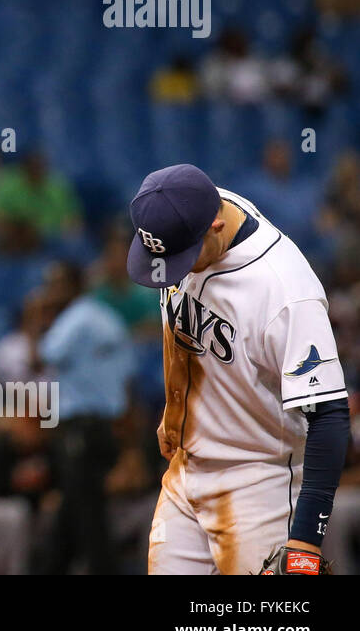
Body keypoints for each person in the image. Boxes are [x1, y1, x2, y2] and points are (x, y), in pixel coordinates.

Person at [127, 163, 350, 574]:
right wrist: (174, 412)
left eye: (183, 256)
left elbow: (331, 417)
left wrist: (305, 541)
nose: (175, 269)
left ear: (214, 225)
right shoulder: (184, 209)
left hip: (258, 484)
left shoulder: (284, 290)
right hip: (184, 473)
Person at [35, 260, 134, 574]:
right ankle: (53, 567)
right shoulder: (109, 318)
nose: (51, 291)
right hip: (106, 425)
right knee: (73, 507)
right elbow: (127, 372)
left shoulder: (73, 319)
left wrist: (38, 317)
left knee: (88, 515)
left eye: (57, 284)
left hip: (79, 427)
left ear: (74, 286)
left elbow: (43, 356)